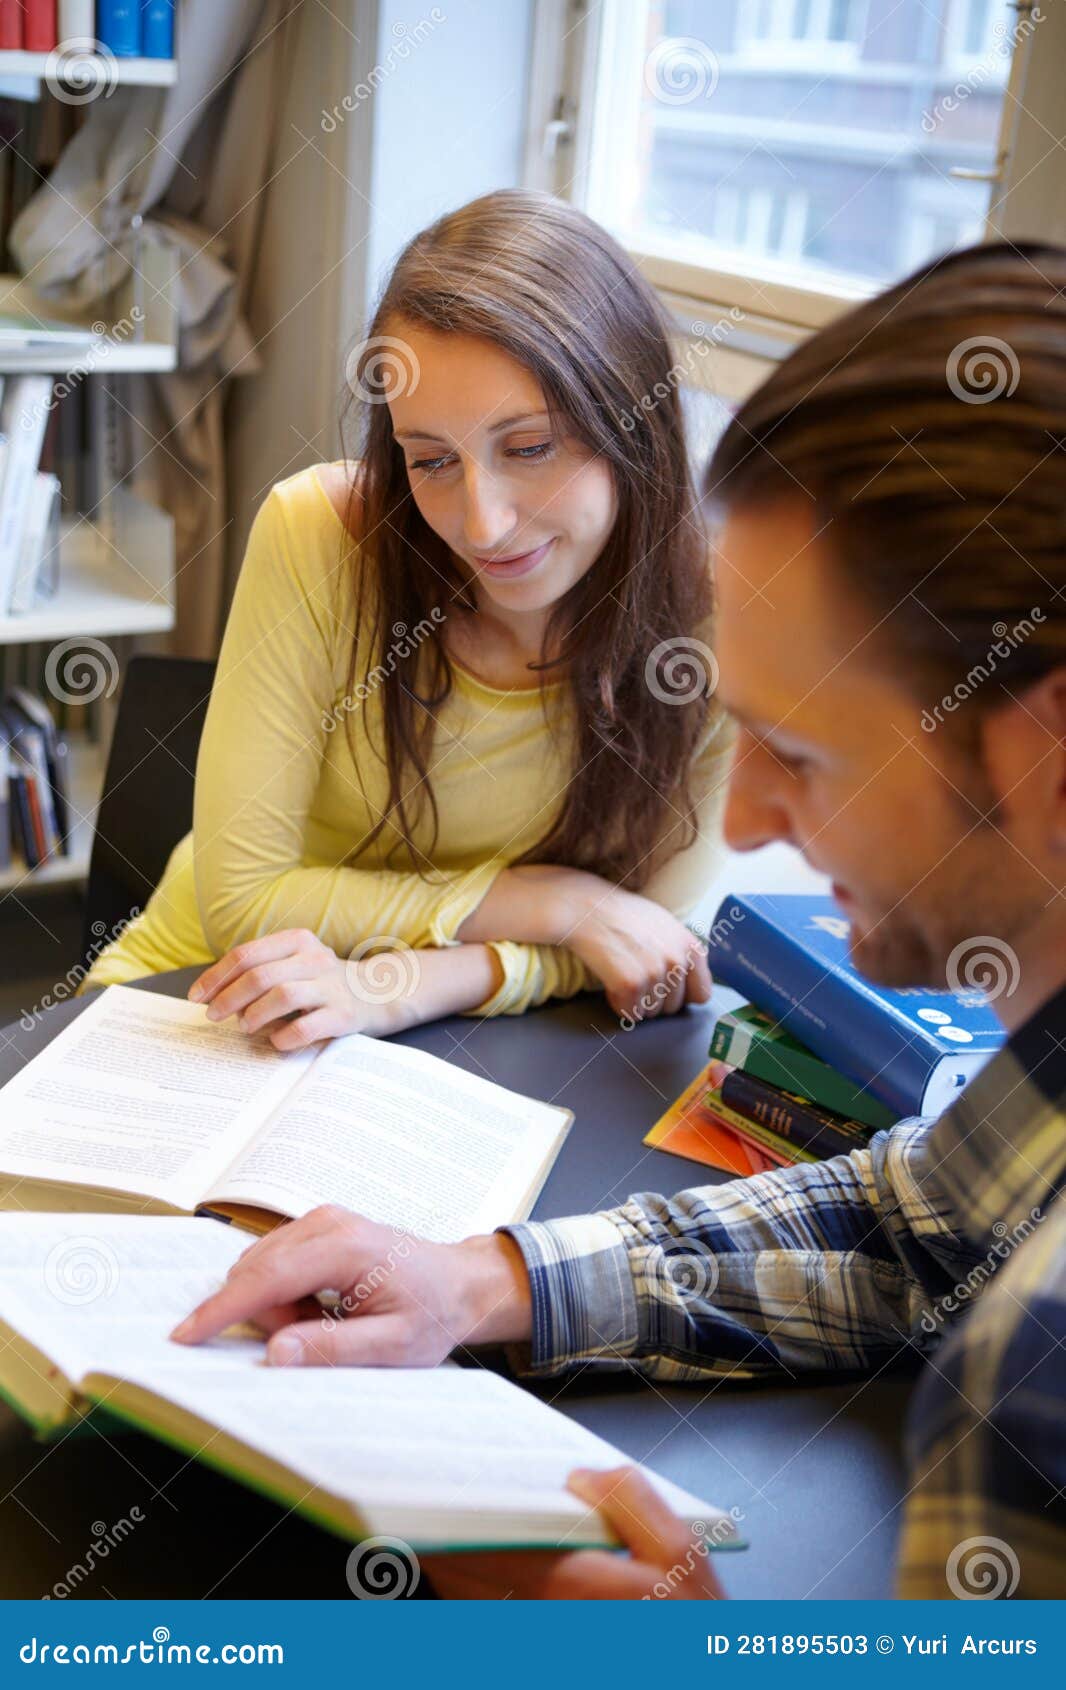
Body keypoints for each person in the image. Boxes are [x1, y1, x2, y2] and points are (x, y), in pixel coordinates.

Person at [171, 239, 1066, 1599]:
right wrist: (482, 1280)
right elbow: (914, 1218)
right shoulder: (1033, 1108)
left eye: (803, 754)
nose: (750, 815)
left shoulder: (1032, 1379)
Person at [81, 189, 734, 1046]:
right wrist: (557, 905)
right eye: (432, 461)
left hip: (469, 1042)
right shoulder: (320, 531)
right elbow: (244, 904)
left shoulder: (720, 613)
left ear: (634, 423)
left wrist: (407, 984)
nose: (482, 524)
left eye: (529, 447)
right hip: (200, 1003)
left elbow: (661, 944)